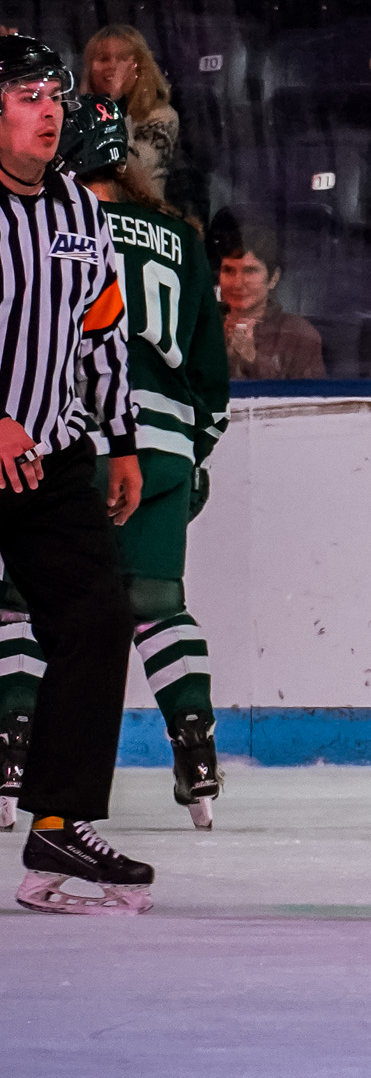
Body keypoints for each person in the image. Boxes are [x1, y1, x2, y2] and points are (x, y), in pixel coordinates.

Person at [0, 91, 232, 833]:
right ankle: (195, 749)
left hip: (65, 438)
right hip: (159, 445)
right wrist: (193, 454)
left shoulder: (52, 221)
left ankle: (13, 747)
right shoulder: (179, 235)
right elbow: (209, 371)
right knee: (158, 599)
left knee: (24, 601)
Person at [0, 33, 153, 914]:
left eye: (53, 95)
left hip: (52, 460)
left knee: (97, 618)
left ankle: (59, 817)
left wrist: (122, 441)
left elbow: (101, 335)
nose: (49, 109)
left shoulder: (79, 215)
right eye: (26, 96)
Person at [82, 25, 179, 204]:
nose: (112, 67)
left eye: (121, 59)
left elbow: (139, 177)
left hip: (142, 217)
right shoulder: (78, 118)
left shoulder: (162, 116)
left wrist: (113, 102)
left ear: (138, 67)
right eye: (103, 59)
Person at [218, 224, 325, 380]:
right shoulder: (200, 327)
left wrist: (253, 360)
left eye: (250, 271)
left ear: (273, 278)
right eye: (228, 270)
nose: (238, 283)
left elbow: (310, 400)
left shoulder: (301, 337)